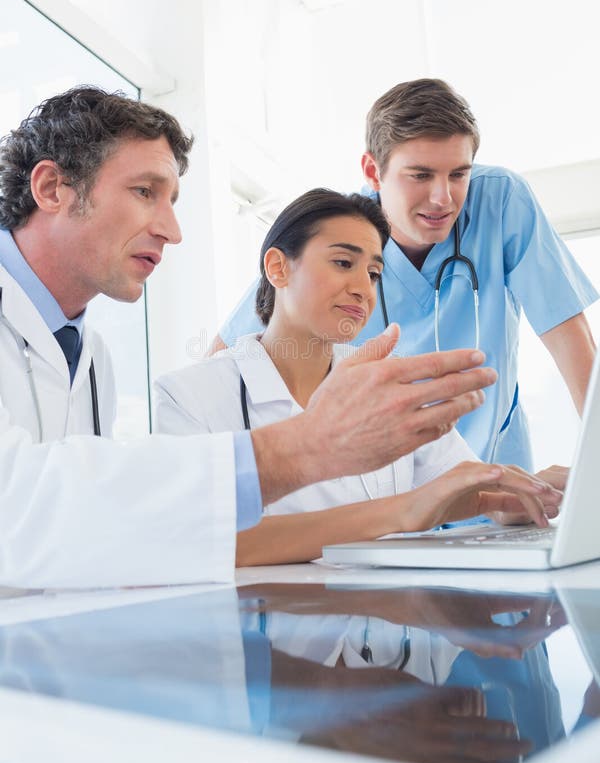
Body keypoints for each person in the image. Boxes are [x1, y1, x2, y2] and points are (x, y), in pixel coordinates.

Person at [0, 87, 499, 589]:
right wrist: (310, 448)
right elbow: (23, 507)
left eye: (372, 272)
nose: (173, 231)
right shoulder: (193, 391)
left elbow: (96, 534)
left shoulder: (92, 359)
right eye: (145, 192)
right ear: (52, 188)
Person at [155, 189, 565, 565]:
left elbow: (462, 488)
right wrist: (400, 512)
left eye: (373, 273)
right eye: (343, 263)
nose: (363, 290)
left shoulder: (386, 381)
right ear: (278, 268)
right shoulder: (189, 396)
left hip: (392, 613)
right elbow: (199, 542)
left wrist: (515, 496)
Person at [212, 79, 598, 470]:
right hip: (384, 486)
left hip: (496, 473)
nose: (443, 199)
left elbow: (572, 341)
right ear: (373, 171)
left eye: (458, 174)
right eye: (420, 175)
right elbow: (224, 359)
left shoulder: (500, 201)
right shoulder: (337, 232)